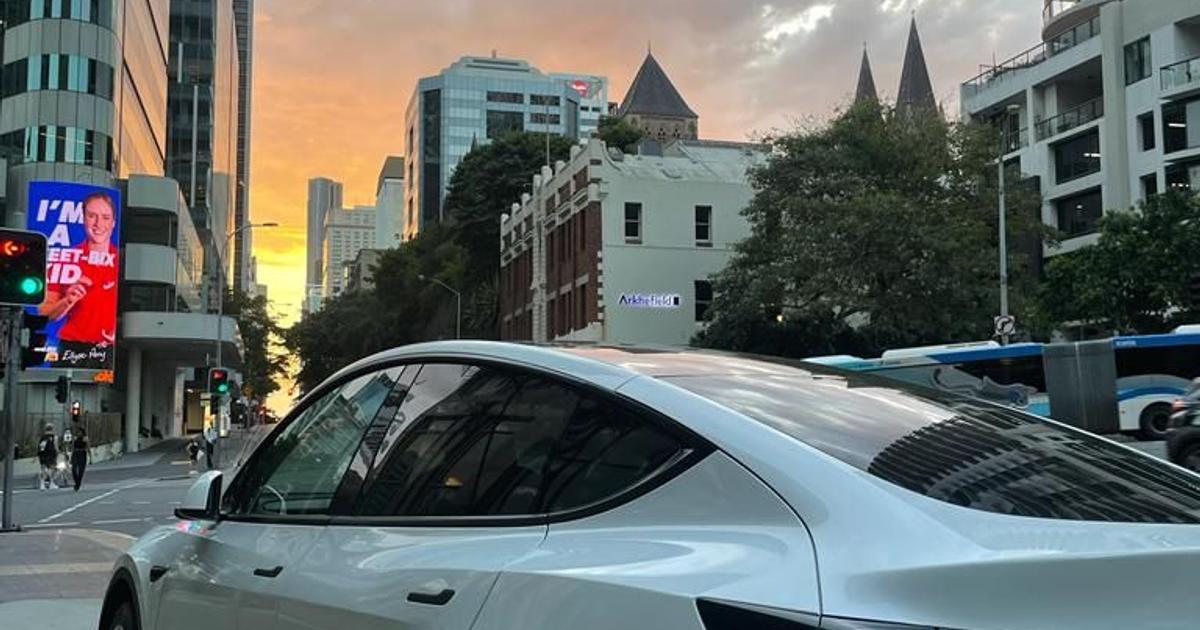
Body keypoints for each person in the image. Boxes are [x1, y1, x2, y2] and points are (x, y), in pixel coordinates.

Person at [38, 191, 119, 370]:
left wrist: (118, 331)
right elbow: (45, 313)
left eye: (105, 217)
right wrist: (67, 300)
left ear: (113, 223)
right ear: (83, 218)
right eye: (92, 216)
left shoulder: (121, 261)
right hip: (71, 346)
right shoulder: (67, 258)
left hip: (108, 350)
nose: (98, 224)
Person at [37, 425, 58, 490]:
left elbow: (40, 447)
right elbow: (56, 446)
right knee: (52, 469)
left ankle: (42, 484)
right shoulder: (54, 437)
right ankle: (51, 483)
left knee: (43, 469)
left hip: (43, 455)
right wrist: (57, 453)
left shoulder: (42, 437)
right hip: (51, 454)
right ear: (52, 429)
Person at [70, 422, 90, 492]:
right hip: (76, 453)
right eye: (77, 432)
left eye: (79, 432)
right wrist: (71, 456)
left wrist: (90, 456)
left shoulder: (85, 438)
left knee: (81, 469)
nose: (78, 433)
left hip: (82, 453)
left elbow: (87, 446)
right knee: (73, 468)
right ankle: (76, 481)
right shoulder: (75, 438)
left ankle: (78, 484)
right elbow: (72, 446)